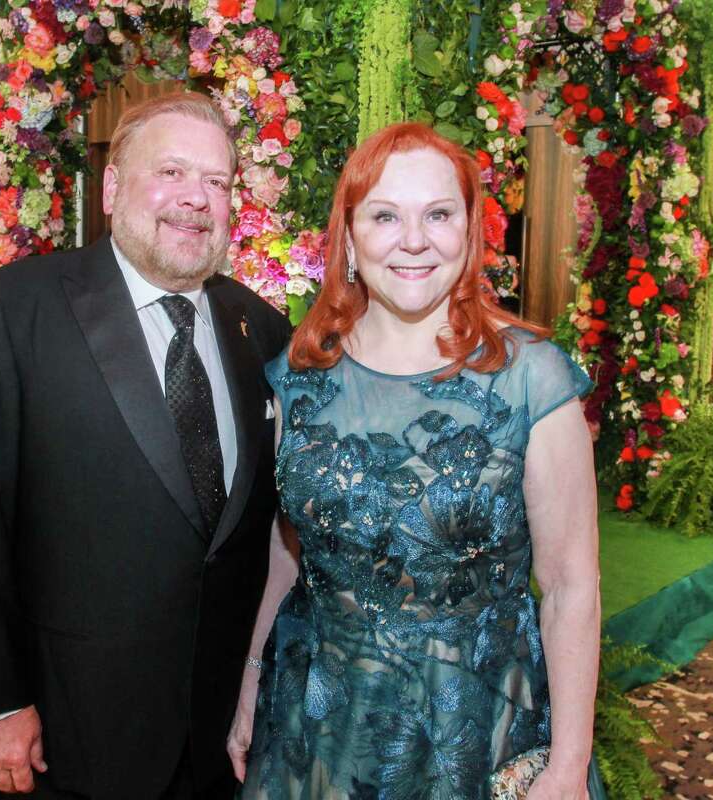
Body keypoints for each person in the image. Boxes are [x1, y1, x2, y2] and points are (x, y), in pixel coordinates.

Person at [0, 92, 291, 799]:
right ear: (114, 188)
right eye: (173, 172)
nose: (196, 199)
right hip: (74, 736)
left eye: (216, 183)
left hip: (223, 740)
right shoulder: (13, 310)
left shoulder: (263, 328)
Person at [230, 122, 604, 799]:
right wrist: (252, 678)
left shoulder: (531, 382)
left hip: (475, 727)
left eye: (438, 214)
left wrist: (569, 767)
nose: (413, 240)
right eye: (384, 215)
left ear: (468, 232)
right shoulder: (299, 380)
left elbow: (572, 586)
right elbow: (289, 552)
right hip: (316, 732)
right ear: (349, 235)